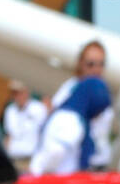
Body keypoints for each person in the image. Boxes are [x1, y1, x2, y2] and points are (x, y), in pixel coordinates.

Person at [49, 40, 115, 170]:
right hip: (76, 165)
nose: (96, 69)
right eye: (91, 64)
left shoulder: (103, 90)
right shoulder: (70, 89)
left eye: (101, 64)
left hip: (99, 163)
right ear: (81, 64)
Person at [29, 77, 112, 176]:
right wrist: (45, 176)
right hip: (58, 182)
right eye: (99, 109)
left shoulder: (70, 114)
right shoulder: (72, 120)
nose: (99, 114)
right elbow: (55, 152)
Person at [2, 80, 47, 173]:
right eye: (14, 93)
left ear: (26, 93)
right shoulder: (10, 110)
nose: (17, 96)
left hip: (28, 160)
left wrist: (37, 163)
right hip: (11, 158)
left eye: (19, 93)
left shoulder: (38, 108)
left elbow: (44, 133)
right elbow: (9, 135)